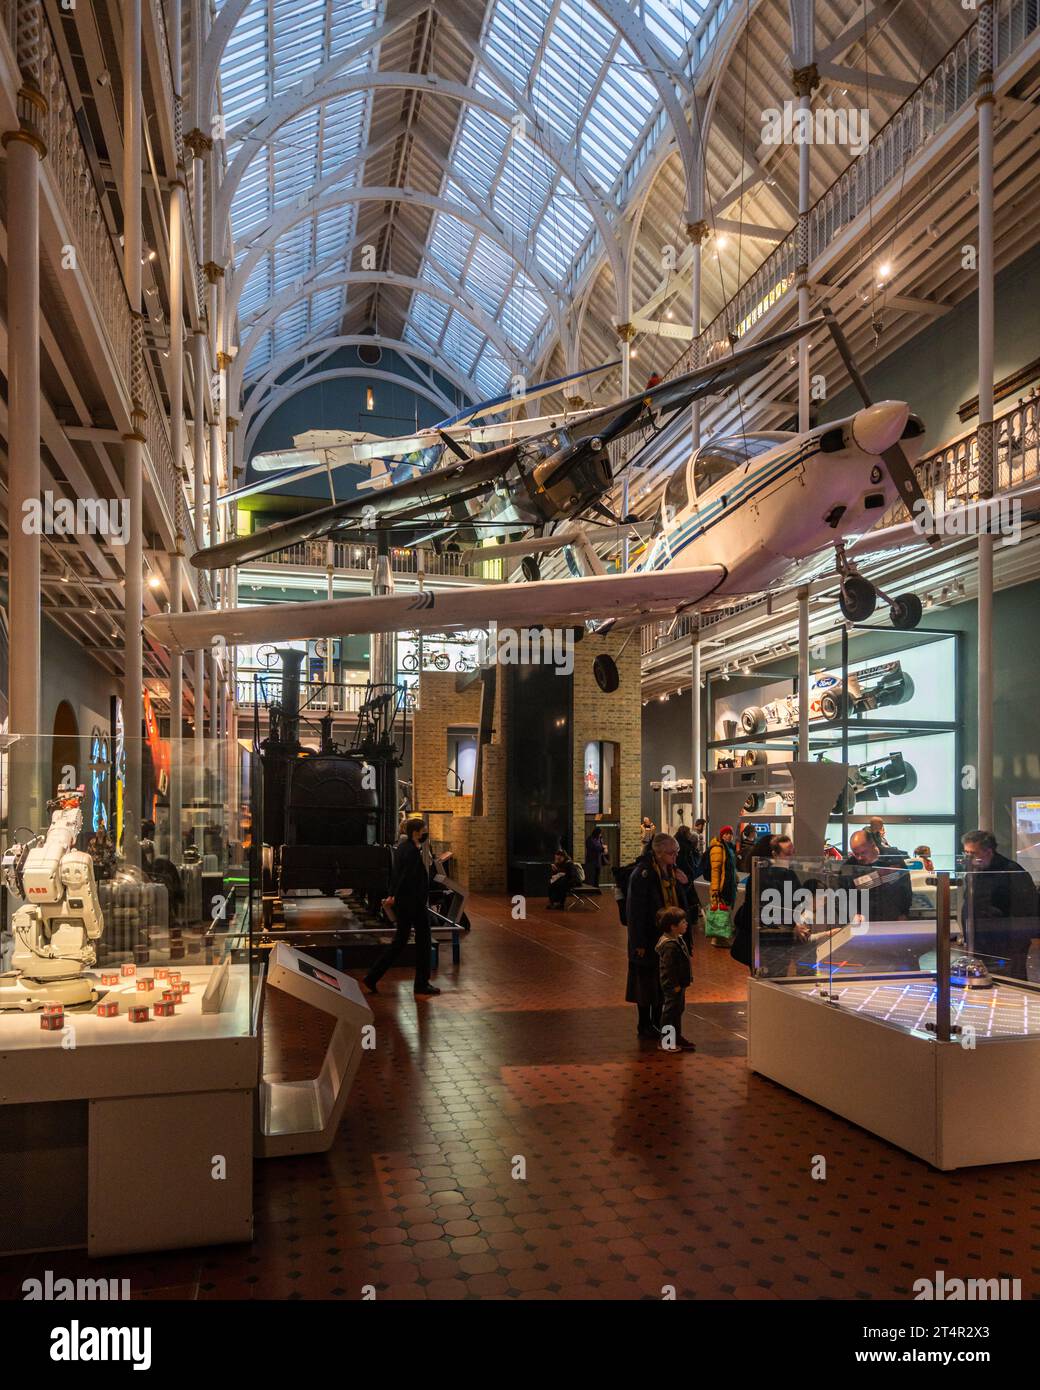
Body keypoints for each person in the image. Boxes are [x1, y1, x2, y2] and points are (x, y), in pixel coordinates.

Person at [626, 833, 697, 1038]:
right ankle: (645, 1024)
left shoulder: (671, 872)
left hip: (671, 936)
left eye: (677, 852)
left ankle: (657, 1023)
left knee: (663, 981)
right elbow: (635, 911)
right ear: (657, 853)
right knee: (646, 981)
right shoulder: (643, 874)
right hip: (649, 937)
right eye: (671, 853)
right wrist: (638, 942)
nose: (675, 856)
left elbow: (684, 903)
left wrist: (685, 883)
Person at [362, 817, 439, 998]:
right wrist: (399, 896)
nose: (425, 833)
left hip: (405, 903)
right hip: (414, 904)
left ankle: (372, 977)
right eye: (423, 830)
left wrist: (392, 895)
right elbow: (407, 877)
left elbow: (396, 875)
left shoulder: (402, 848)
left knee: (399, 942)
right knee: (424, 942)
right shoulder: (411, 851)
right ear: (415, 832)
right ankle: (421, 983)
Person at [961, 830, 1038, 981]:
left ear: (988, 851)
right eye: (966, 853)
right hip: (979, 939)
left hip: (1005, 942)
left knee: (1009, 982)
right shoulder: (973, 870)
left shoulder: (1011, 871)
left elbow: (1026, 907)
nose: (968, 858)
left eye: (973, 853)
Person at [730, 835, 802, 972]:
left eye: (793, 852)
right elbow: (769, 910)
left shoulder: (786, 873)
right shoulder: (762, 876)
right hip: (766, 941)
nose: (792, 857)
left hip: (777, 940)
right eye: (787, 854)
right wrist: (794, 924)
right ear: (774, 854)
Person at [656, 906, 695, 1052]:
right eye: (683, 922)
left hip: (679, 984)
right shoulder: (670, 946)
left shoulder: (677, 939)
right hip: (674, 985)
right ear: (673, 927)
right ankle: (666, 1041)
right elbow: (669, 968)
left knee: (677, 1010)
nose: (686, 924)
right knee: (670, 1013)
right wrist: (674, 984)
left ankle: (676, 1037)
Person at [706, 825, 738, 947]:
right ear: (721, 835)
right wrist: (715, 889)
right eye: (726, 834)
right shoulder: (718, 848)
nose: (729, 836)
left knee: (723, 910)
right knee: (720, 911)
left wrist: (735, 878)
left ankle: (718, 938)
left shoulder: (728, 848)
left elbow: (731, 868)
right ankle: (718, 939)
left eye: (730, 833)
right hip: (720, 886)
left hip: (727, 884)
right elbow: (715, 869)